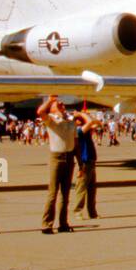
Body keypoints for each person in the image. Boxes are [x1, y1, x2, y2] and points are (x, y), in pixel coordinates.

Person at [36, 95, 89, 234]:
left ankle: (63, 223)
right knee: (53, 193)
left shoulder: (71, 122)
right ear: (52, 109)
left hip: (69, 157)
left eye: (62, 105)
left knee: (65, 194)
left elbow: (76, 144)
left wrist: (80, 163)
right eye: (58, 105)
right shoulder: (52, 120)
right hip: (57, 157)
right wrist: (50, 100)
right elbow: (40, 112)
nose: (62, 106)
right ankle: (47, 224)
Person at [72, 115, 100, 220]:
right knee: (81, 188)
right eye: (78, 120)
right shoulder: (78, 131)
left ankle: (92, 212)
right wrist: (81, 114)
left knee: (92, 189)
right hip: (84, 162)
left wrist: (86, 116)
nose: (80, 121)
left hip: (91, 162)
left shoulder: (86, 130)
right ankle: (77, 211)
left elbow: (97, 123)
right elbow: (91, 122)